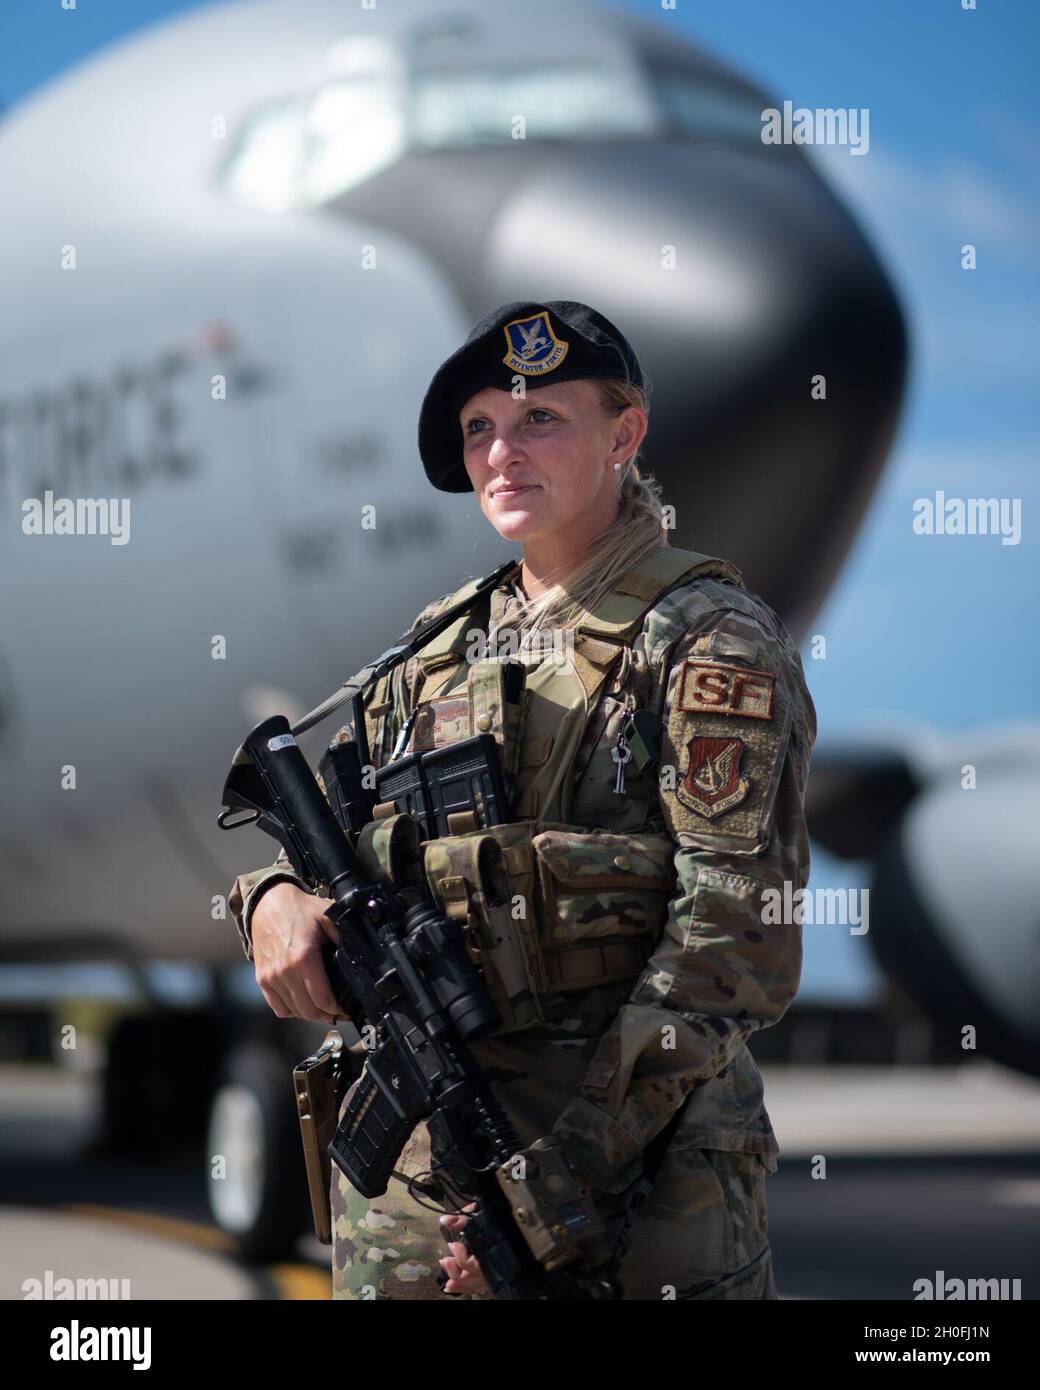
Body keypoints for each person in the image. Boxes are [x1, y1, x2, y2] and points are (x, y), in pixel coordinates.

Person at [228, 300, 816, 1301]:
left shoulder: (706, 641)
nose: (502, 451)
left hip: (624, 1204)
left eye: (540, 418)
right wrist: (272, 901)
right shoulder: (431, 651)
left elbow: (734, 942)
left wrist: (549, 1186)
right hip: (409, 1204)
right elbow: (335, 839)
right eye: (478, 429)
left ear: (621, 435)